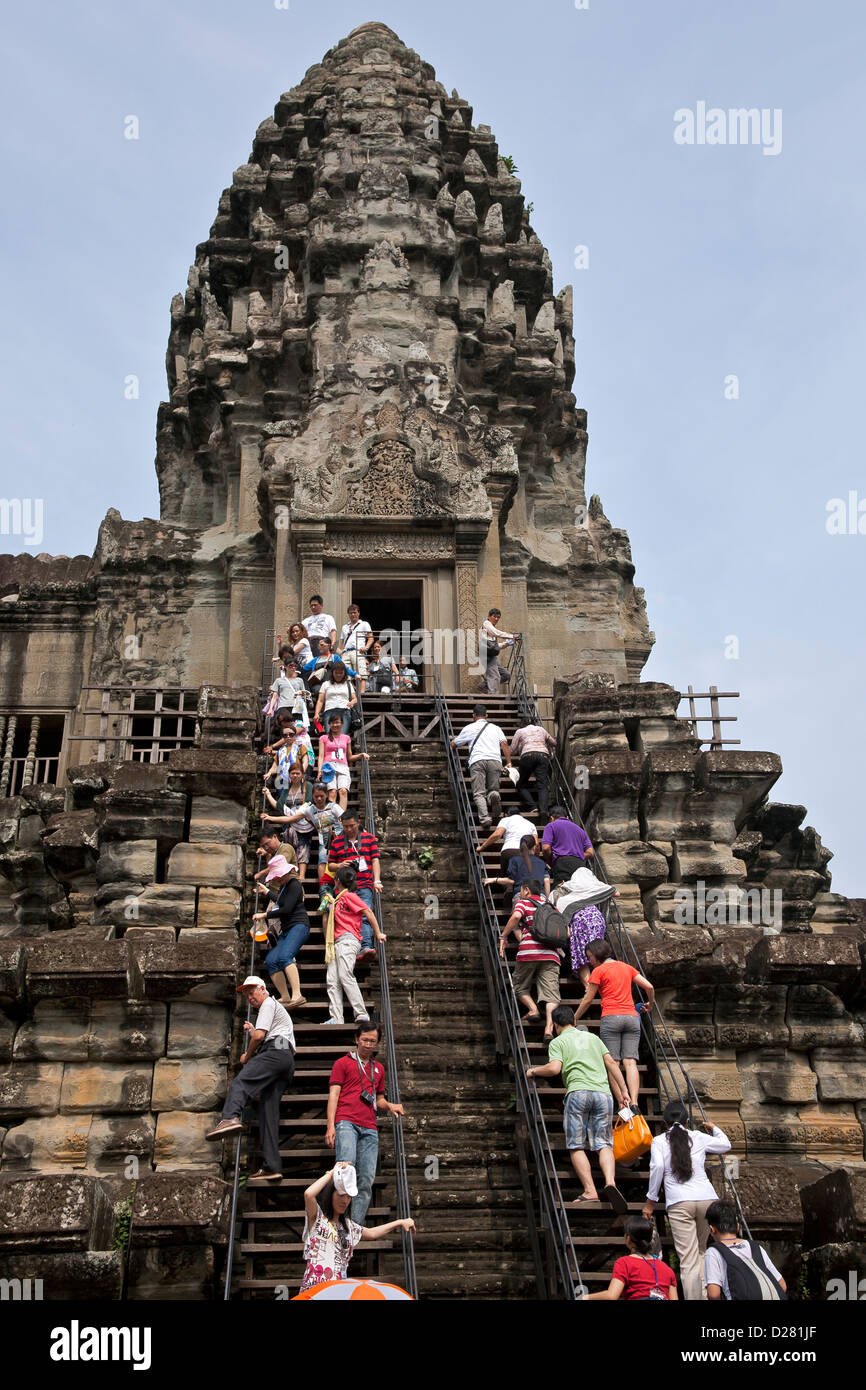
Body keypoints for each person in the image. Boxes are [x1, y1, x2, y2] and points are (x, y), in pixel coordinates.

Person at [527, 1004, 630, 1211]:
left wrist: (533, 1071)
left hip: (578, 1093)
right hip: (603, 1094)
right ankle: (610, 1182)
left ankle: (590, 1190)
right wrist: (624, 1091)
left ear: (555, 1025)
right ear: (574, 1022)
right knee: (604, 1143)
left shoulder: (558, 1041)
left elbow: (555, 1068)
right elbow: (611, 1063)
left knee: (576, 1144)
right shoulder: (594, 1038)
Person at [205, 976, 295, 1182]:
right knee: (267, 1113)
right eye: (246, 994)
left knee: (241, 1082)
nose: (249, 996)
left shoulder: (268, 1003)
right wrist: (255, 1031)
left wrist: (247, 1055)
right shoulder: (273, 1009)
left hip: (276, 1052)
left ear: (263, 989)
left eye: (251, 991)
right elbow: (266, 1034)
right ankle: (272, 1166)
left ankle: (229, 1117)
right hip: (285, 1058)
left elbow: (260, 1037)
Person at [642, 1101, 732, 1301]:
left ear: (665, 1123)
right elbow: (725, 1144)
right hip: (707, 1200)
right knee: (701, 1251)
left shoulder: (658, 1140)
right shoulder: (698, 1136)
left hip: (680, 1202)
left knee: (688, 1260)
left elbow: (657, 1167)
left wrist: (651, 1200)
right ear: (687, 1121)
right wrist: (714, 1128)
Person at [326, 1021, 406, 1226]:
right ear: (356, 1039)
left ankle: (353, 1228)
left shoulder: (378, 1068)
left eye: (373, 1041)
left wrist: (390, 1106)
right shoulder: (342, 1063)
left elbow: (378, 1100)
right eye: (365, 1040)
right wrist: (330, 1125)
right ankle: (335, 1222)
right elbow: (334, 1095)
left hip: (369, 1127)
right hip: (346, 1121)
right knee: (345, 1171)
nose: (368, 1045)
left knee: (366, 1179)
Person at [300, 1165, 415, 1294]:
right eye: (341, 1195)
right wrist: (331, 1174)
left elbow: (372, 1233)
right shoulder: (318, 1218)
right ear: (330, 1194)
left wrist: (399, 1222)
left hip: (337, 1287)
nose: (345, 1201)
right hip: (315, 1286)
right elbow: (309, 1194)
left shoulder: (349, 1227)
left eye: (348, 1197)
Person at [575, 940, 655, 1108]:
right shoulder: (626, 967)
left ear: (597, 955)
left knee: (613, 1062)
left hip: (611, 1017)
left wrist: (575, 1017)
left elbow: (588, 999)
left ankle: (621, 1101)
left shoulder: (598, 971)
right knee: (631, 1062)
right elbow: (649, 986)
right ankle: (634, 1101)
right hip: (631, 1018)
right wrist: (650, 1004)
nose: (589, 960)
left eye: (590, 957)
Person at [499, 878, 561, 1040]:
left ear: (526, 890)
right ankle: (549, 1028)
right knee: (551, 994)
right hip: (551, 954)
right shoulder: (551, 906)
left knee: (519, 986)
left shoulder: (524, 902)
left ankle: (533, 1008)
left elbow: (515, 917)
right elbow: (564, 929)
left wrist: (504, 936)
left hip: (528, 952)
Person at [324, 865, 386, 1026]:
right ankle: (336, 1017)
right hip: (336, 942)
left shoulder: (349, 896)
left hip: (348, 939)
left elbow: (368, 912)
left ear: (337, 881)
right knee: (332, 980)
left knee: (345, 975)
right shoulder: (337, 900)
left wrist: (378, 933)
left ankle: (361, 1013)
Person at [252, 854, 310, 1011]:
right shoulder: (285, 887)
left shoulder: (294, 884)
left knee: (285, 956)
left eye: (277, 876)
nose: (276, 879)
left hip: (299, 926)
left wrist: (265, 915)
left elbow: (286, 909)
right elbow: (281, 900)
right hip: (287, 929)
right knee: (271, 960)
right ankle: (285, 996)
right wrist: (266, 892)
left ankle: (297, 995)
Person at [262, 782, 344, 889]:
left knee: (340, 861)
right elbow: (291, 819)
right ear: (313, 797)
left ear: (326, 795)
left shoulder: (334, 807)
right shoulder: (310, 809)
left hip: (340, 839)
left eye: (322, 796)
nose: (319, 799)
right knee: (322, 860)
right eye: (316, 796)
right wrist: (271, 818)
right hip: (324, 842)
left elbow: (347, 819)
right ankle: (323, 888)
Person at [704, 1200, 787, 1301]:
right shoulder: (755, 1247)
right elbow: (782, 1285)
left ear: (712, 1229)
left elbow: (713, 1294)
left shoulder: (713, 1252)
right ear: (738, 1227)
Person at [327, 812, 383, 961]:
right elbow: (330, 865)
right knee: (346, 917)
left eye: (351, 826)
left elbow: (375, 860)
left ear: (358, 823)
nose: (349, 829)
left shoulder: (369, 838)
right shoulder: (337, 842)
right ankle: (352, 947)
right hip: (344, 888)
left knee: (365, 914)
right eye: (345, 826)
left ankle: (365, 946)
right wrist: (340, 865)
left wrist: (376, 881)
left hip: (364, 883)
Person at [549, 863, 615, 985]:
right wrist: (595, 887)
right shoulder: (593, 887)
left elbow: (552, 899)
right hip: (596, 920)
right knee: (598, 953)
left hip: (580, 922)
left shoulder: (569, 887)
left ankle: (587, 988)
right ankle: (602, 985)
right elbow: (616, 893)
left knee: (582, 955)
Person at [583, 1217, 678, 1301]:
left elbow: (611, 1296)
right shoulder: (667, 1269)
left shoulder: (624, 1263)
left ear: (628, 1238)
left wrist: (585, 1297)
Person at [451, 703, 511, 830]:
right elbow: (504, 744)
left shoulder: (469, 728)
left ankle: (485, 819)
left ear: (473, 716)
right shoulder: (496, 728)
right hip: (495, 760)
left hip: (477, 760)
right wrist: (509, 762)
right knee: (493, 788)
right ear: (486, 715)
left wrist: (452, 743)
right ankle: (494, 794)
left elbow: (455, 744)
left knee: (478, 793)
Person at [317, 710, 369, 811]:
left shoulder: (346, 738)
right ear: (329, 724)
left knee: (343, 791)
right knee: (332, 792)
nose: (335, 725)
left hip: (343, 766)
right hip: (329, 767)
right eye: (333, 722)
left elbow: (349, 757)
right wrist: (319, 770)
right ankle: (333, 817)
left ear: (341, 723)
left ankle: (341, 817)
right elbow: (321, 756)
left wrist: (361, 755)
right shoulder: (324, 738)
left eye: (337, 722)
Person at [510, 717, 556, 817]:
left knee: (521, 784)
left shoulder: (520, 731)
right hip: (542, 756)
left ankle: (532, 807)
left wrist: (520, 748)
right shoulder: (541, 729)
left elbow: (512, 750)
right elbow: (553, 742)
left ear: (522, 724)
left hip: (527, 756)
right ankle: (543, 810)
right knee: (542, 785)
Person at [485, 834, 550, 904]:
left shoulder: (514, 860)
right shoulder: (542, 863)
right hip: (539, 896)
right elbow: (546, 881)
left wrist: (495, 879)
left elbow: (511, 880)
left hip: (522, 894)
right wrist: (547, 900)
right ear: (534, 847)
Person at [263, 723, 309, 813]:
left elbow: (305, 762)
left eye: (291, 735)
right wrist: (269, 773)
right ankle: (286, 825)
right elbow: (275, 765)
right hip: (282, 779)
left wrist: (300, 774)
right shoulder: (280, 750)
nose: (288, 737)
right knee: (283, 805)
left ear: (295, 735)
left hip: (296, 778)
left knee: (297, 803)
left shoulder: (300, 747)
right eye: (285, 735)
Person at [541, 806, 595, 884]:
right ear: (567, 817)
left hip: (563, 863)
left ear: (552, 818)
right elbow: (591, 852)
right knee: (579, 890)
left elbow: (545, 848)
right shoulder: (580, 830)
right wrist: (577, 855)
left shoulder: (551, 826)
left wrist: (551, 861)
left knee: (563, 891)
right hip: (580, 864)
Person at [315, 660, 357, 738]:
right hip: (329, 711)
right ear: (332, 672)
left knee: (342, 736)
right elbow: (320, 701)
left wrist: (352, 702)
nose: (338, 675)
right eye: (336, 673)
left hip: (344, 710)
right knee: (329, 736)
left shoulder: (348, 684)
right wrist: (316, 713)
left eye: (341, 673)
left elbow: (355, 699)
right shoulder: (325, 684)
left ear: (344, 673)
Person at [480, 608, 517, 695]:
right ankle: (492, 697)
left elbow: (496, 647)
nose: (496, 619)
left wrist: (508, 643)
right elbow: (496, 633)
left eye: (498, 617)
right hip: (486, 655)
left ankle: (484, 685)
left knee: (506, 674)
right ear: (489, 617)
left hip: (492, 656)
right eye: (494, 616)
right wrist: (511, 636)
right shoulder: (486, 624)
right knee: (494, 676)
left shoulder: (492, 633)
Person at [339, 604, 373, 692]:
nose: (353, 615)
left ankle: (362, 694)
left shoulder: (364, 624)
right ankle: (350, 693)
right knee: (346, 675)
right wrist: (342, 652)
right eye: (350, 613)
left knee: (361, 673)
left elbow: (370, 638)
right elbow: (342, 642)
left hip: (358, 651)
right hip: (346, 652)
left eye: (354, 612)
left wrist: (366, 647)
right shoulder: (344, 627)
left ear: (358, 613)